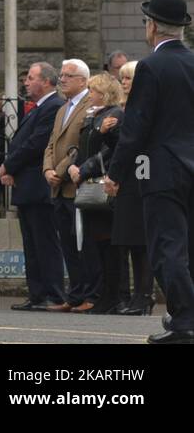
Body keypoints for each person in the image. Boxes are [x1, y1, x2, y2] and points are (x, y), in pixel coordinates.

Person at [104, 0, 194, 344]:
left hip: (163, 169)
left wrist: (115, 174)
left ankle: (185, 318)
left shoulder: (151, 67)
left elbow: (136, 127)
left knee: (166, 246)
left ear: (153, 26)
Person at [2, 61, 67, 311]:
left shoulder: (53, 106)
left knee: (45, 242)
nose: (26, 82)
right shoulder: (37, 107)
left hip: (39, 186)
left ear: (47, 81)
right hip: (27, 187)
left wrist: (8, 165)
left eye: (31, 78)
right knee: (31, 243)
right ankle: (37, 293)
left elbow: (36, 143)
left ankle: (53, 293)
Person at [42, 59, 98, 312]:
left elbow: (81, 146)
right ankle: (74, 294)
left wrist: (60, 171)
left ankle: (89, 294)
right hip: (58, 187)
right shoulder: (63, 108)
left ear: (83, 80)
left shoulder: (90, 106)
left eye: (68, 75)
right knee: (66, 243)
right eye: (61, 74)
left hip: (75, 185)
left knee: (82, 243)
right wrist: (47, 170)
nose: (62, 79)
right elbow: (52, 144)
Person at [69, 73, 124, 313]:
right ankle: (104, 294)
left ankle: (114, 295)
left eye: (93, 90)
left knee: (110, 245)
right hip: (87, 182)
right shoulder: (93, 116)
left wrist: (83, 169)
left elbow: (108, 151)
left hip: (102, 184)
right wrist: (72, 163)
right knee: (98, 244)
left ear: (104, 93)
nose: (89, 95)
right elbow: (82, 145)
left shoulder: (114, 115)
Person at [110, 60, 153, 315]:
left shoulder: (139, 109)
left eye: (129, 79)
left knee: (140, 242)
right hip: (127, 180)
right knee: (129, 241)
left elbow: (131, 143)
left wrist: (114, 174)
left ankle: (143, 295)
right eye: (123, 79)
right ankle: (136, 296)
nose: (124, 83)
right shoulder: (123, 109)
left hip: (138, 178)